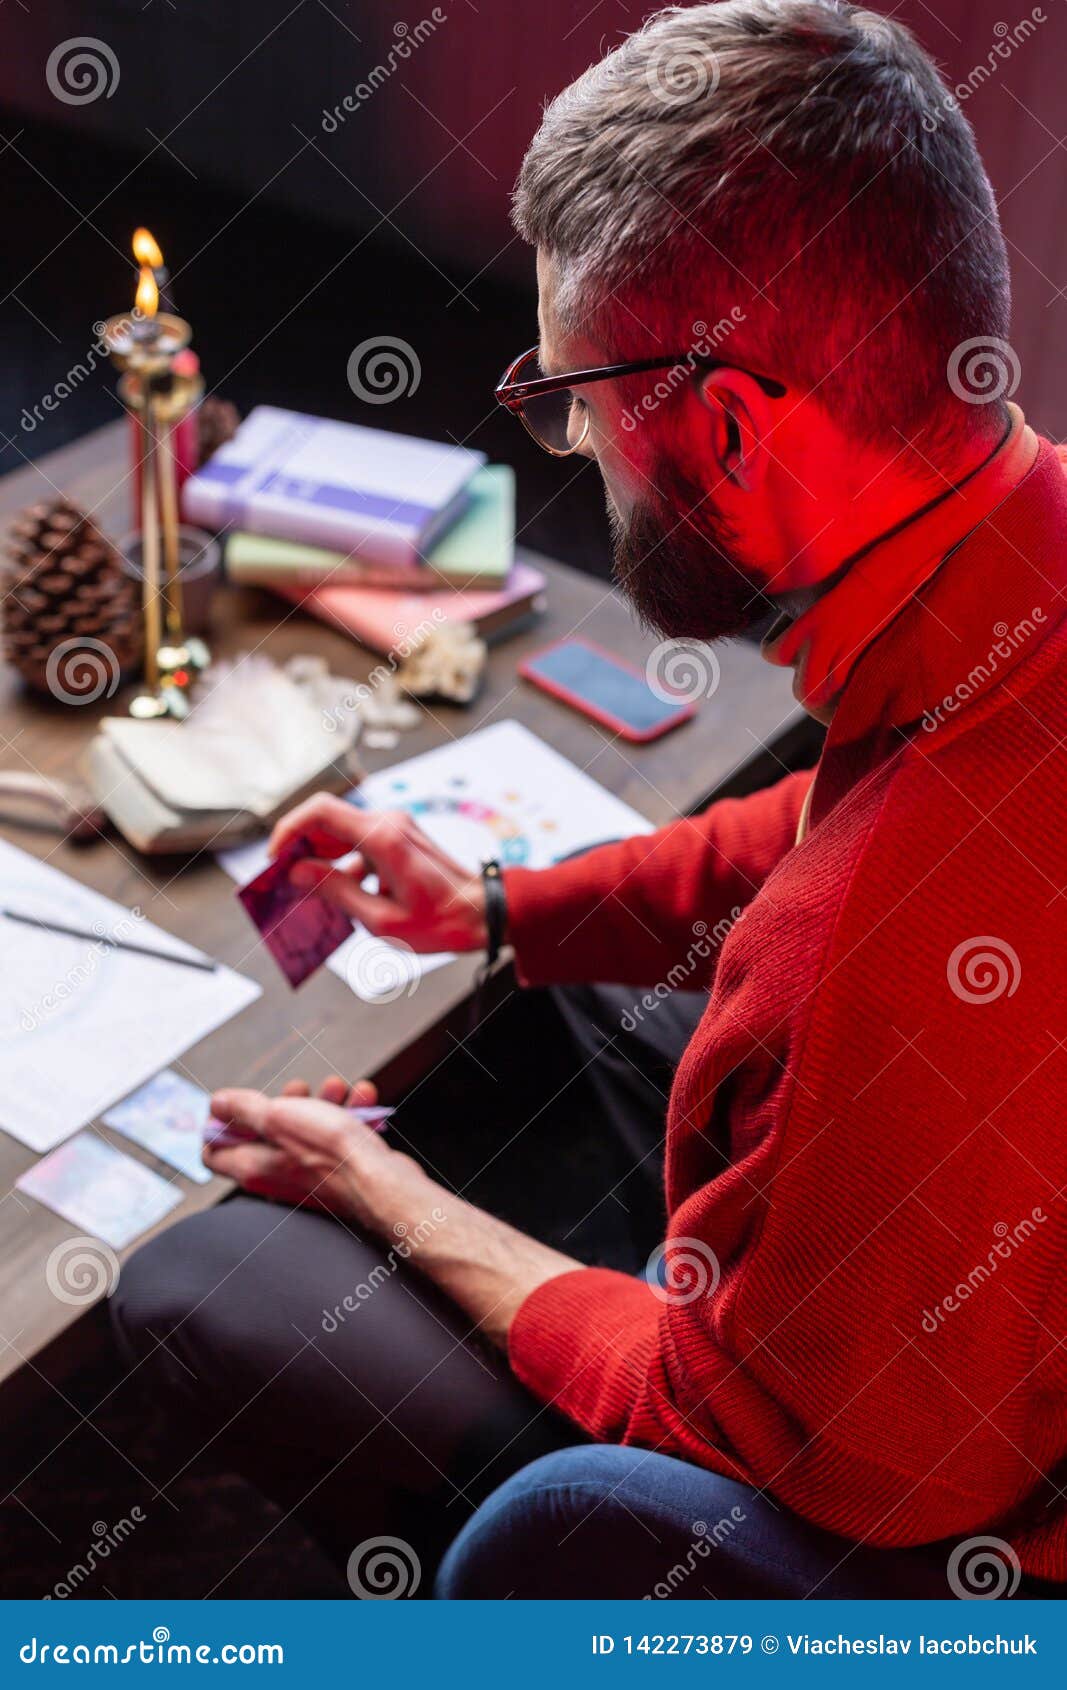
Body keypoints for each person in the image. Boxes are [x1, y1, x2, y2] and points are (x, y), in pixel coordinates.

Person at [113, 0, 1067, 1596]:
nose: (575, 451)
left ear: (728, 423)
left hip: (897, 1541)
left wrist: (379, 1187)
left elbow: (742, 1425)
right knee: (599, 1005)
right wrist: (496, 904)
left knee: (207, 1274)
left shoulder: (869, 957)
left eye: (577, 399)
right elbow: (842, 811)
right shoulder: (1025, 564)